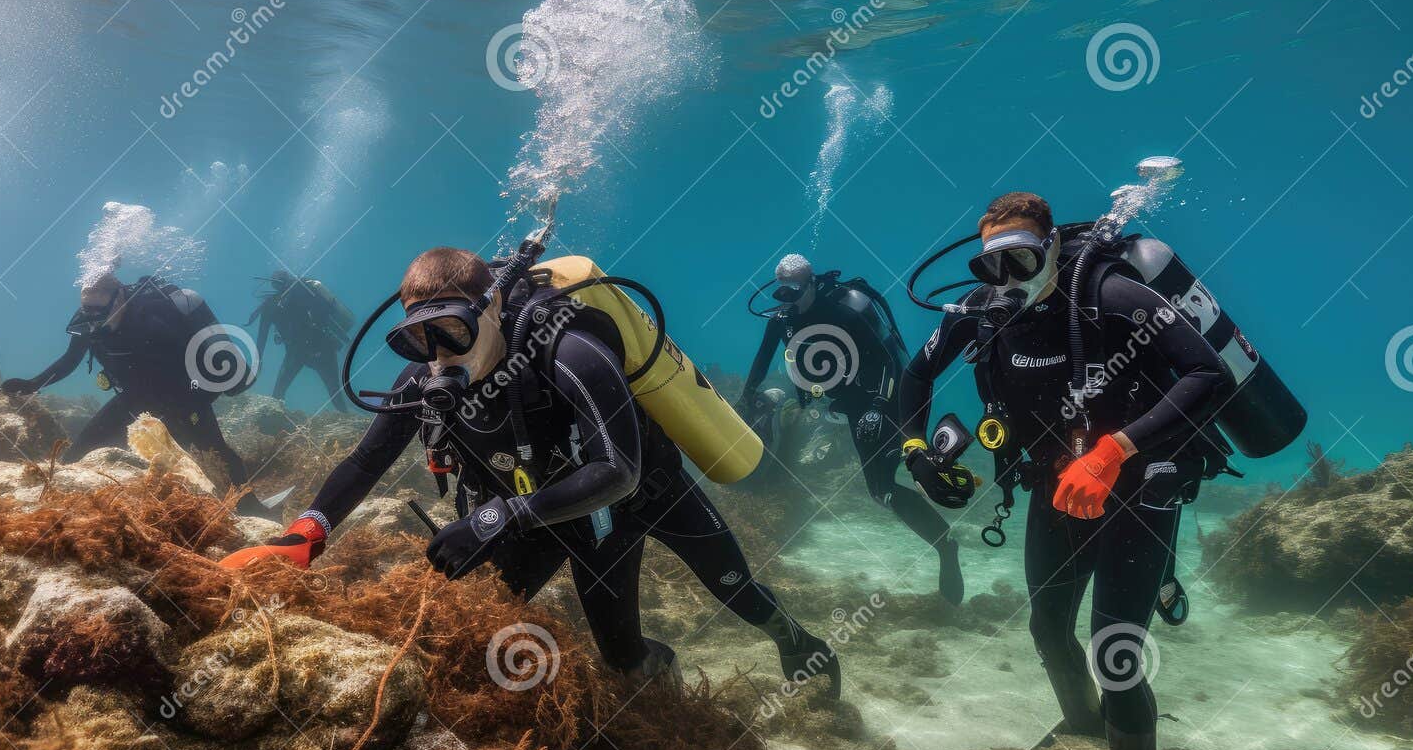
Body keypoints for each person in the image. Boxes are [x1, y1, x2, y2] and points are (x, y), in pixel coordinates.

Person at [223, 246, 840, 694]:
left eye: (453, 331)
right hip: (545, 518)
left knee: (735, 590)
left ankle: (795, 640)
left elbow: (617, 471)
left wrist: (495, 516)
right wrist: (308, 532)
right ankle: (660, 684)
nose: (439, 357)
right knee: (606, 656)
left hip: (642, 494)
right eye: (418, 340)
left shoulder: (567, 349)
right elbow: (365, 461)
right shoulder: (425, 378)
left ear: (490, 307)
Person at [899, 192, 1232, 750]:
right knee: (1048, 628)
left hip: (1138, 488)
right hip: (1057, 489)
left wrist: (1112, 452)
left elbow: (1207, 373)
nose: (1006, 282)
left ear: (1051, 247)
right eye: (991, 267)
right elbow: (915, 376)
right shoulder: (984, 313)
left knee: (1116, 654)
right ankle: (1084, 735)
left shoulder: (1108, 295)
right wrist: (916, 451)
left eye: (1021, 261)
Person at [741, 254, 967, 605]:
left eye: (795, 291)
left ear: (812, 283)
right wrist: (745, 398)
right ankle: (942, 535)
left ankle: (944, 545)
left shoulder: (846, 313)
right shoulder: (781, 320)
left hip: (883, 400)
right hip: (848, 404)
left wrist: (877, 407)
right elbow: (761, 359)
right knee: (881, 490)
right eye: (781, 292)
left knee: (885, 483)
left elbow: (891, 364)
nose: (788, 300)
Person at [0, 272, 258, 495]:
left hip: (184, 395)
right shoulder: (87, 319)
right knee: (79, 453)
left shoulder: (154, 318)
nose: (93, 320)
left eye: (99, 313)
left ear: (121, 297)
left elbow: (199, 365)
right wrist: (33, 384)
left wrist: (188, 404)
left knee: (212, 451)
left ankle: (251, 507)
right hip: (134, 396)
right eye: (86, 310)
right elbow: (70, 360)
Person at [247, 270, 353, 407]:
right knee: (336, 396)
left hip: (296, 354)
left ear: (273, 285)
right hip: (323, 349)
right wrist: (348, 341)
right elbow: (327, 320)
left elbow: (262, 337)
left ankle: (272, 423)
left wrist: (257, 362)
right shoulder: (306, 292)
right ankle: (347, 418)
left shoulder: (269, 305)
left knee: (277, 396)